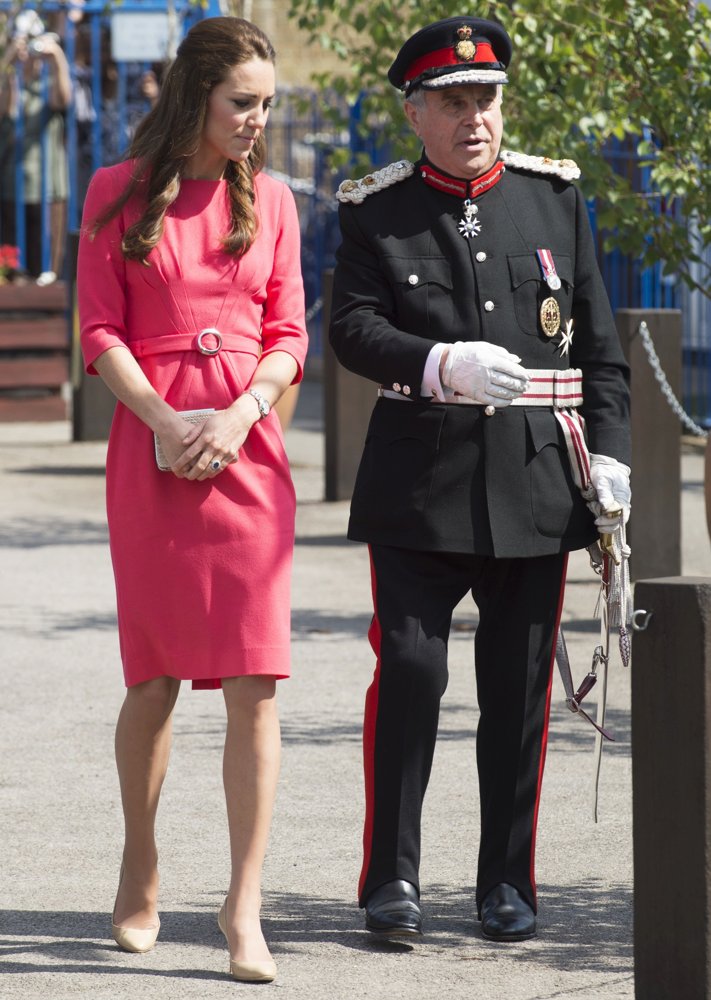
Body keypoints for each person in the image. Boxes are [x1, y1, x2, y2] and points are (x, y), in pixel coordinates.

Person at [329, 16, 631, 943]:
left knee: (518, 689)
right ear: (414, 113)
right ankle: (391, 880)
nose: (475, 118)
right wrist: (437, 363)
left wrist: (611, 459)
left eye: (487, 99)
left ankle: (506, 883)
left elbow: (601, 350)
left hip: (536, 484)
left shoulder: (553, 200)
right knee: (413, 674)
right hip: (420, 483)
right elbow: (350, 327)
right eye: (453, 102)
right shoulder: (377, 211)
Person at [77, 16, 308, 982]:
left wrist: (245, 410)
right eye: (241, 103)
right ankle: (141, 860)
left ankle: (242, 906)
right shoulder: (113, 191)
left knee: (257, 687)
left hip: (250, 457)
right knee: (156, 678)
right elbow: (97, 328)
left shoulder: (280, 199)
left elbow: (290, 330)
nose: (257, 119)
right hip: (154, 450)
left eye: (265, 103)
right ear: (195, 97)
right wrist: (171, 423)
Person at [0, 9, 71, 282]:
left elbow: (63, 99)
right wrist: (8, 60)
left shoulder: (48, 82)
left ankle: (50, 309)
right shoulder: (11, 82)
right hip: (11, 185)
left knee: (46, 267)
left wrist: (57, 58)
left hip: (49, 186)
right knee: (11, 265)